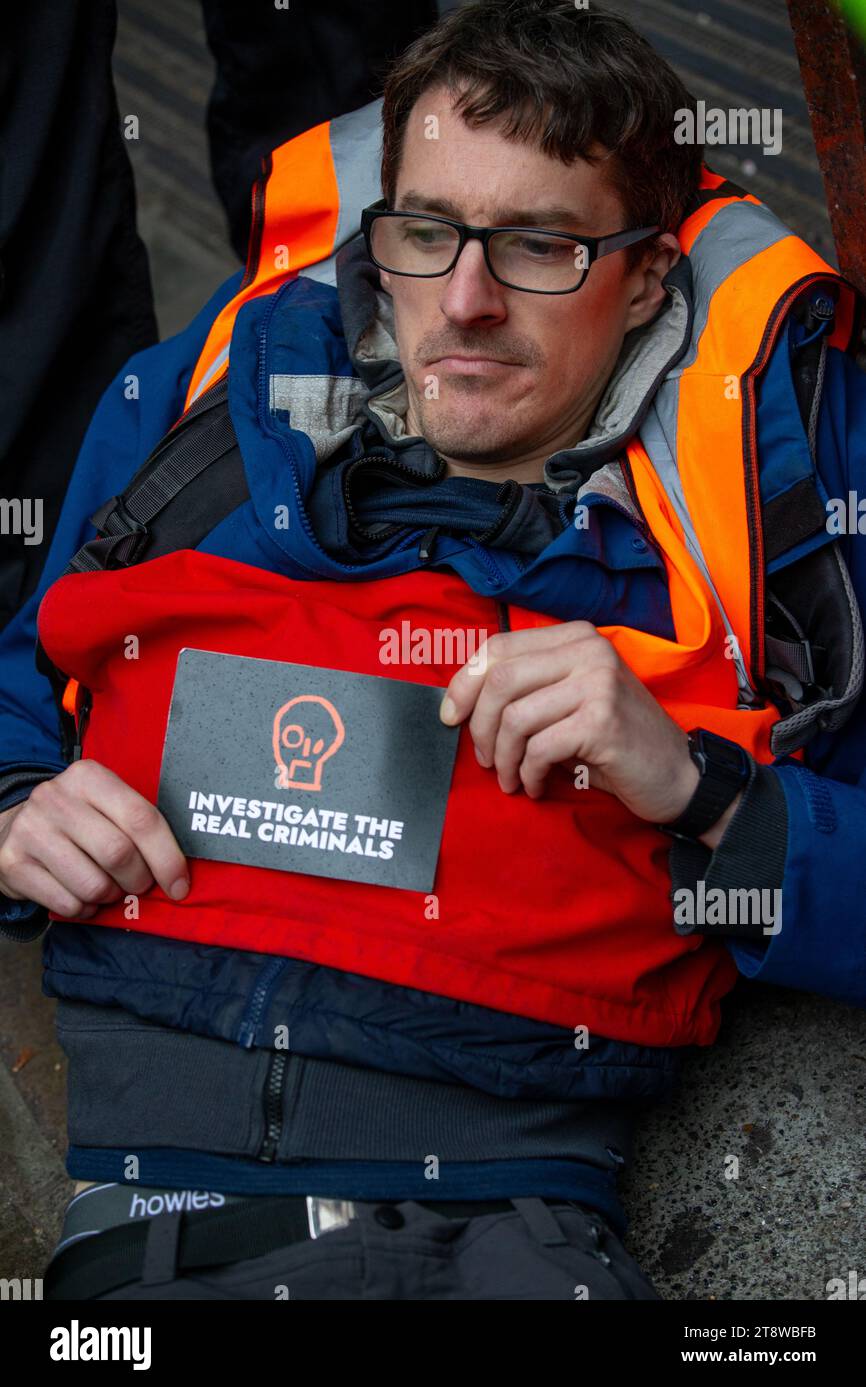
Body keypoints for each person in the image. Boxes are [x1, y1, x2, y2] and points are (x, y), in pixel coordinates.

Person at [0, 0, 864, 1301]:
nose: (461, 304)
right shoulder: (202, 411)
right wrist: (9, 805)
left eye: (536, 248)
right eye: (424, 234)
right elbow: (23, 671)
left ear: (642, 279)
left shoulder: (762, 484)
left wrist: (697, 784)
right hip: (146, 1236)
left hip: (514, 1234)